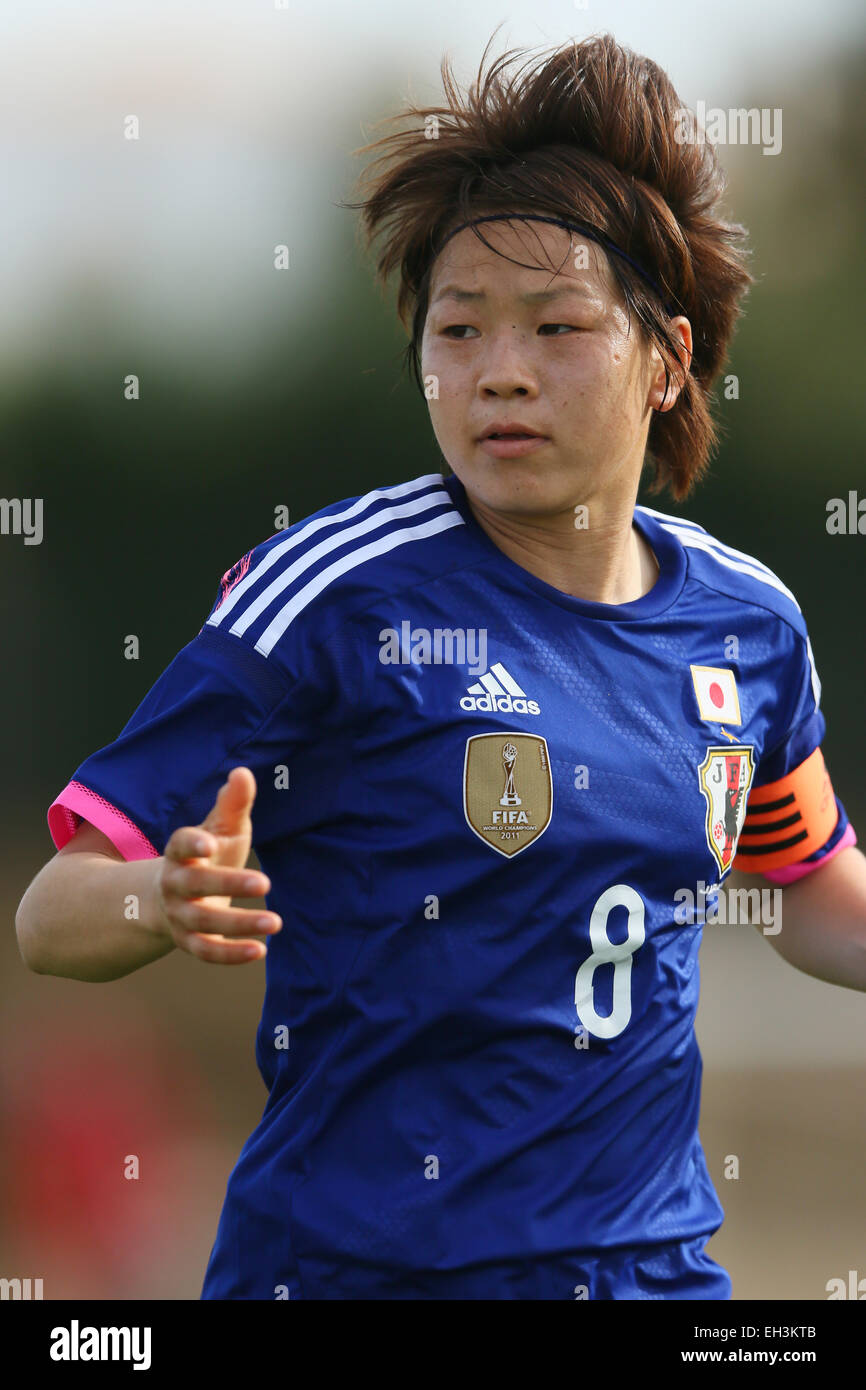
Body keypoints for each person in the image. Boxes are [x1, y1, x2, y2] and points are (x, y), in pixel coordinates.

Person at [16, 31, 865, 1301]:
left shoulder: (745, 625)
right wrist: (162, 900)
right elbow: (50, 913)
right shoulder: (334, 594)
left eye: (555, 326)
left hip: (652, 1276)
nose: (497, 372)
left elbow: (805, 880)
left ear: (667, 359)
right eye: (457, 329)